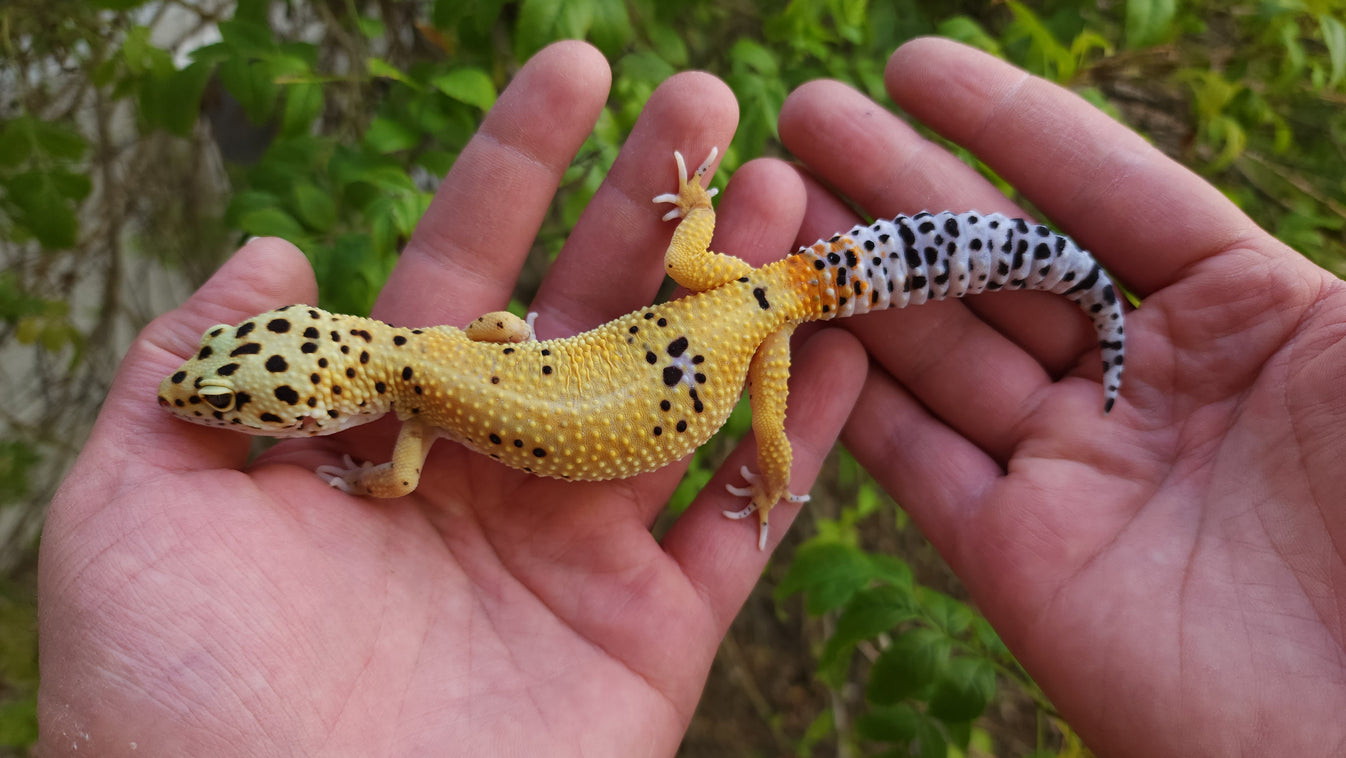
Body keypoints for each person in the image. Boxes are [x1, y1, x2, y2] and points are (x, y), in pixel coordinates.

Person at [38, 37, 1346, 757]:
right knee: (697, 267)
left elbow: (398, 469)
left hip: (750, 330)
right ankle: (1053, 291)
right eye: (236, 396)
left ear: (318, 379)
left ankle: (823, 441)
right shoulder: (436, 356)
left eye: (240, 396)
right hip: (721, 297)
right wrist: (690, 232)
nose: (214, 401)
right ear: (317, 336)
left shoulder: (413, 422)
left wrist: (762, 463)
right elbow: (496, 326)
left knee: (771, 435)